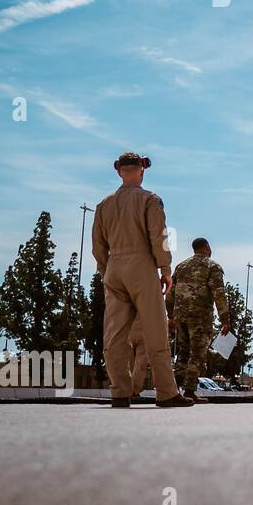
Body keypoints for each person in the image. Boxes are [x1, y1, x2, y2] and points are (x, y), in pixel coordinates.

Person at [92, 152, 192, 408]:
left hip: (114, 267)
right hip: (141, 265)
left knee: (114, 334)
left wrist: (107, 270)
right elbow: (158, 237)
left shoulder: (103, 205)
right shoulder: (150, 200)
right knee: (155, 329)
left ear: (119, 171)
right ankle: (167, 392)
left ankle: (119, 392)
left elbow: (97, 246)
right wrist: (165, 269)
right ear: (141, 171)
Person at [167, 237, 231, 402]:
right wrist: (225, 319)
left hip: (180, 316)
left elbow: (170, 293)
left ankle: (173, 390)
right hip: (200, 317)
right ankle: (189, 391)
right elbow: (219, 293)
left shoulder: (181, 266)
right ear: (207, 247)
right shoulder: (212, 266)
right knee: (197, 354)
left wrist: (170, 316)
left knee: (182, 353)